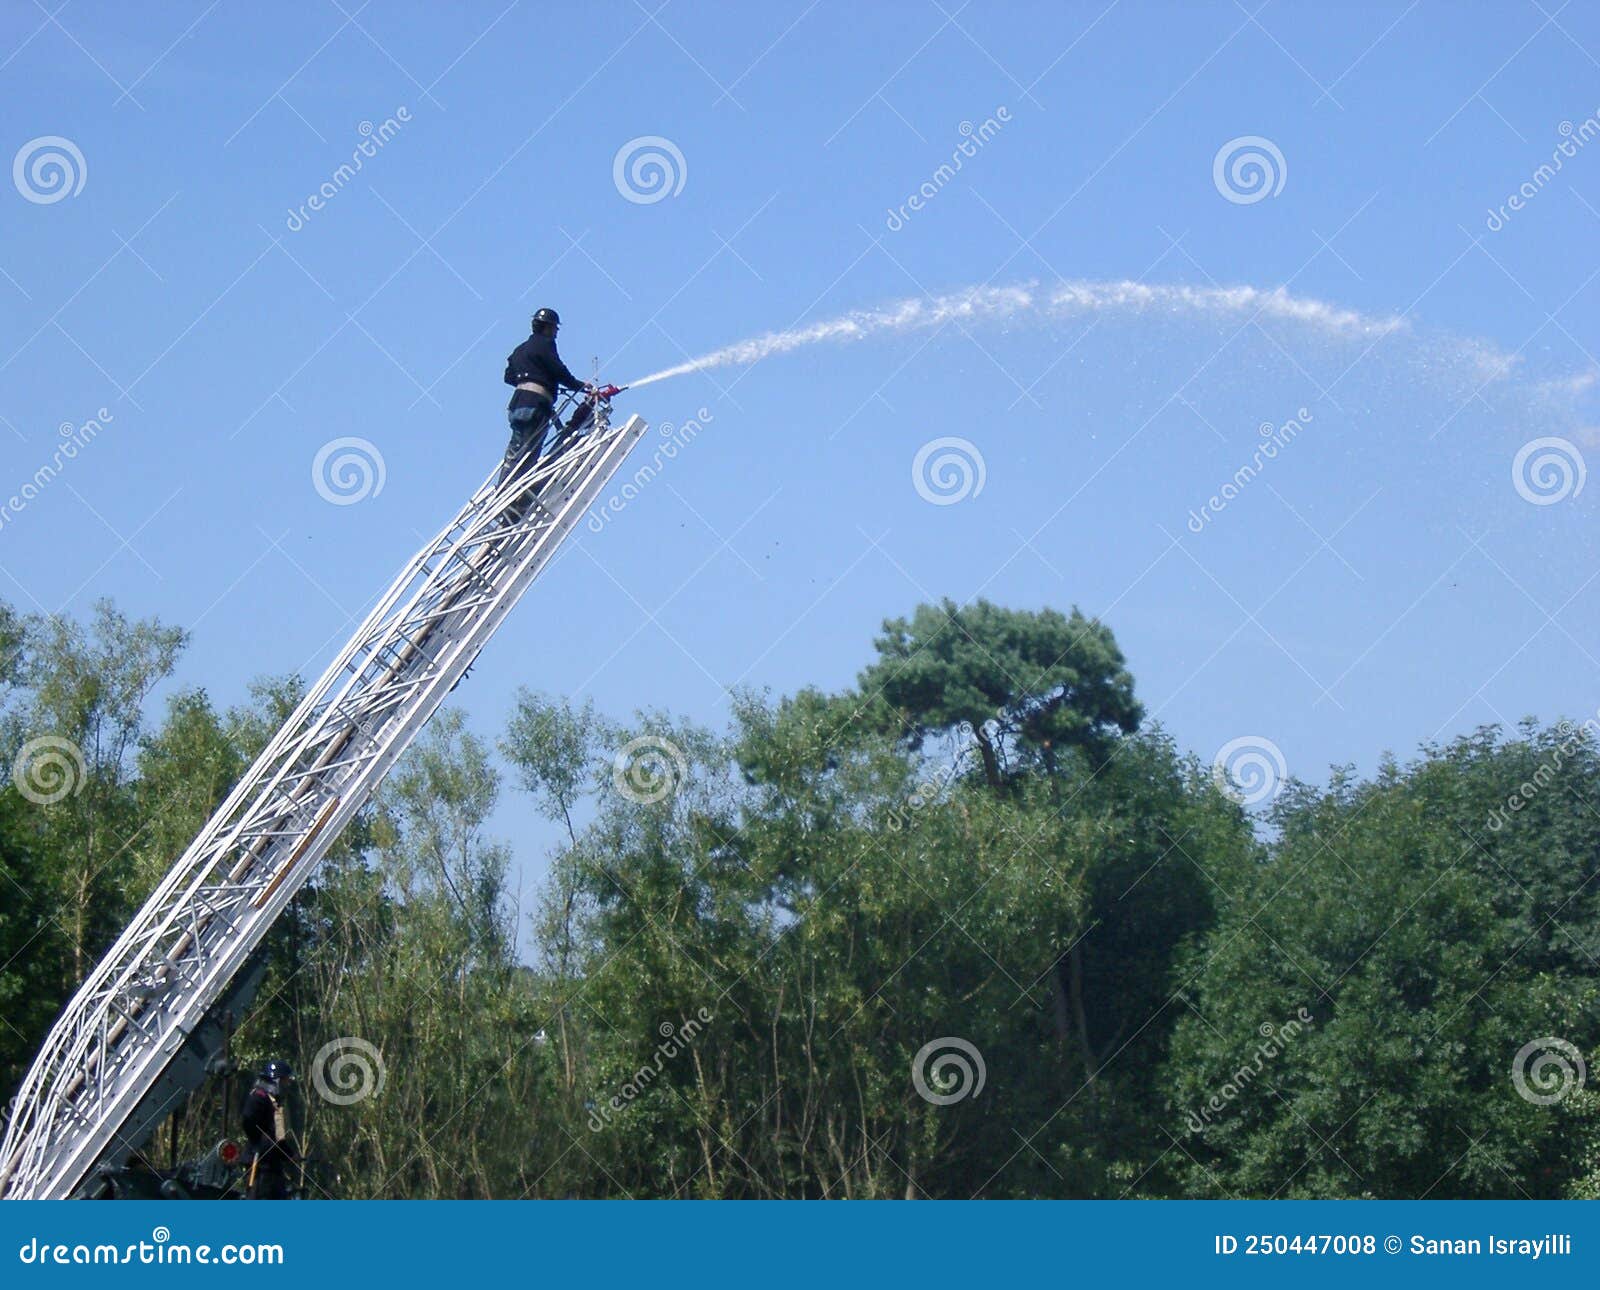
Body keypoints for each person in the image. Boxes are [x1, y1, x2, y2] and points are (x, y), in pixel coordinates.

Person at [501, 308, 589, 486]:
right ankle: (520, 495)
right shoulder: (545, 344)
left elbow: (508, 376)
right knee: (529, 453)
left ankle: (503, 487)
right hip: (536, 406)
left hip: (517, 405)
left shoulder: (520, 350)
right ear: (548, 328)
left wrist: (532, 378)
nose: (556, 332)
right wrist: (581, 386)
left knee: (515, 451)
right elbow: (559, 370)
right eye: (555, 328)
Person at [241, 1059, 299, 1200]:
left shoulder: (276, 1102)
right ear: (277, 1081)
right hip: (260, 1166)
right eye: (286, 1080)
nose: (288, 1084)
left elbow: (279, 1138)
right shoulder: (258, 1097)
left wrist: (290, 1155)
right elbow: (248, 1121)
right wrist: (261, 1143)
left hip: (273, 1167)